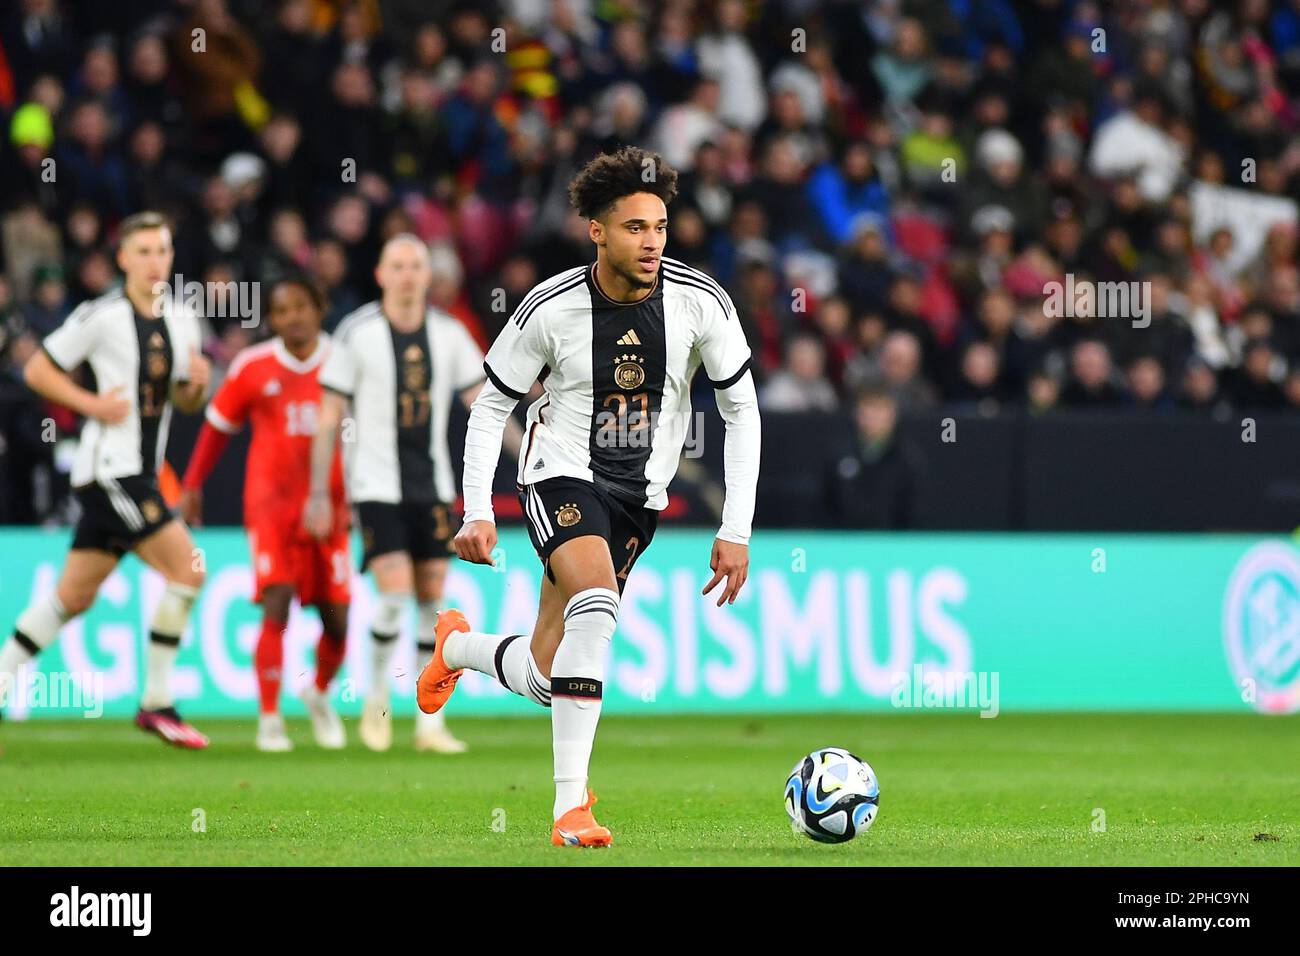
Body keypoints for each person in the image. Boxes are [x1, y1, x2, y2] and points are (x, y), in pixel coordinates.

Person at [417, 146, 761, 846]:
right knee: (596, 607)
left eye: (660, 226)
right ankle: (569, 809)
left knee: (551, 677)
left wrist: (737, 528)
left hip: (641, 498)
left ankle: (457, 648)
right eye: (636, 227)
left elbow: (742, 412)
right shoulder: (550, 307)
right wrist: (476, 509)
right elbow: (490, 407)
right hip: (559, 472)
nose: (653, 242)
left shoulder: (701, 303)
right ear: (597, 232)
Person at [0, 212, 210, 747]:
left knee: (73, 596)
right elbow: (37, 370)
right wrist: (91, 403)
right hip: (110, 471)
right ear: (122, 259)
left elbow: (184, 399)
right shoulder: (103, 316)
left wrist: (197, 390)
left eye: (161, 250)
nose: (154, 261)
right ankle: (156, 703)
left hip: (138, 473)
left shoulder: (182, 319)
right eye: (142, 251)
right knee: (188, 568)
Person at [305, 234, 519, 753]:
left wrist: (530, 451)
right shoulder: (356, 334)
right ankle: (376, 703)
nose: (406, 275)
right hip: (375, 487)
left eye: (415, 266)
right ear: (380, 274)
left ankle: (429, 724)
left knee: (431, 604)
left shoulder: (448, 334)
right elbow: (329, 416)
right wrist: (318, 492)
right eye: (397, 265)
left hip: (434, 489)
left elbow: (483, 404)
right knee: (394, 598)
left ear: (428, 276)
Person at [180, 277, 350, 752]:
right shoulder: (253, 367)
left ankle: (317, 692)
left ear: (319, 307)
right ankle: (270, 718)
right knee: (276, 603)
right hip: (271, 507)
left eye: (301, 304)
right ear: (271, 319)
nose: (292, 316)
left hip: (332, 507)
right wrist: (192, 484)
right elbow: (217, 427)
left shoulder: (345, 361)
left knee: (337, 620)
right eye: (281, 309)